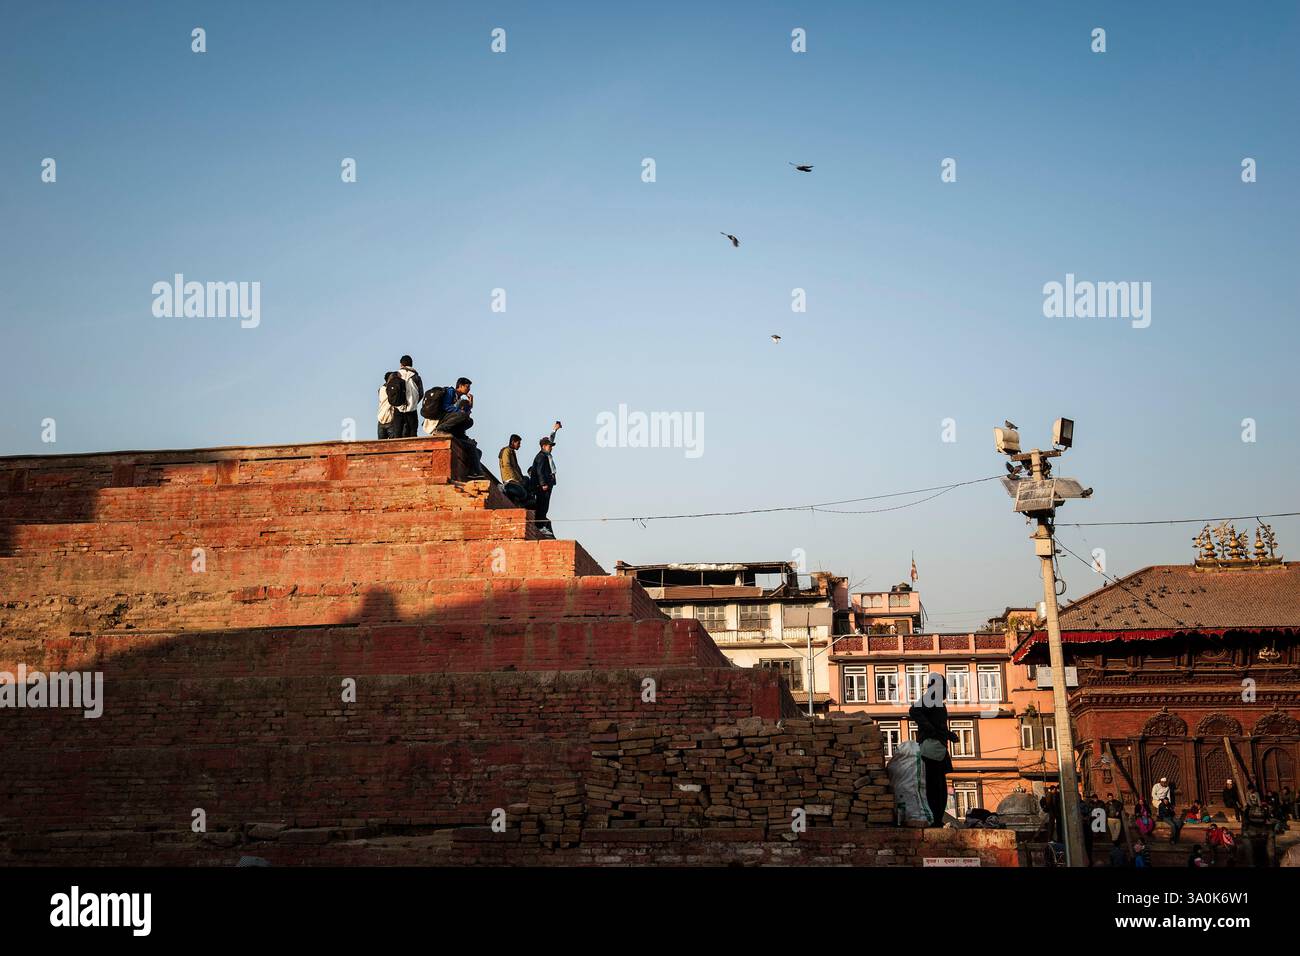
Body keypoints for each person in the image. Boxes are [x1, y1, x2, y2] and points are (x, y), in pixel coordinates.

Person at [908, 672, 959, 829]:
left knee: (939, 786)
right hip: (931, 748)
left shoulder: (936, 702)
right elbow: (914, 711)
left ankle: (936, 818)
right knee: (934, 785)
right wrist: (930, 729)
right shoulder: (929, 698)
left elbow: (940, 727)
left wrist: (949, 735)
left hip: (939, 748)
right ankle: (934, 819)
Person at [528, 424, 561, 539]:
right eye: (549, 446)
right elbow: (540, 471)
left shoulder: (546, 455)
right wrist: (543, 484)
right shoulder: (541, 457)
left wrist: (555, 430)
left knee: (544, 505)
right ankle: (540, 525)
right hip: (542, 486)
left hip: (547, 484)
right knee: (542, 505)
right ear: (543, 446)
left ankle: (541, 525)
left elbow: (551, 439)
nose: (551, 447)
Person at [394, 356, 423, 438]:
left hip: (397, 408)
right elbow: (421, 393)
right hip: (412, 409)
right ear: (411, 364)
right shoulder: (416, 377)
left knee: (397, 432)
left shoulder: (395, 375)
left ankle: (397, 450)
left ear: (401, 364)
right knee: (412, 432)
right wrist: (414, 403)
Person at [498, 434, 531, 505]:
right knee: (523, 494)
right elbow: (507, 466)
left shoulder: (512, 451)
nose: (519, 445)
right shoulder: (506, 451)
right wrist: (518, 480)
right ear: (513, 442)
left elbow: (516, 467)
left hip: (516, 479)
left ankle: (525, 501)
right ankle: (503, 488)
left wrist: (521, 478)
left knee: (527, 479)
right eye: (518, 443)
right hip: (510, 480)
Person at [377, 371, 399, 440]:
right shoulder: (391, 389)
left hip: (381, 419)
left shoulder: (380, 389)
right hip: (390, 420)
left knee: (381, 446)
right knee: (393, 445)